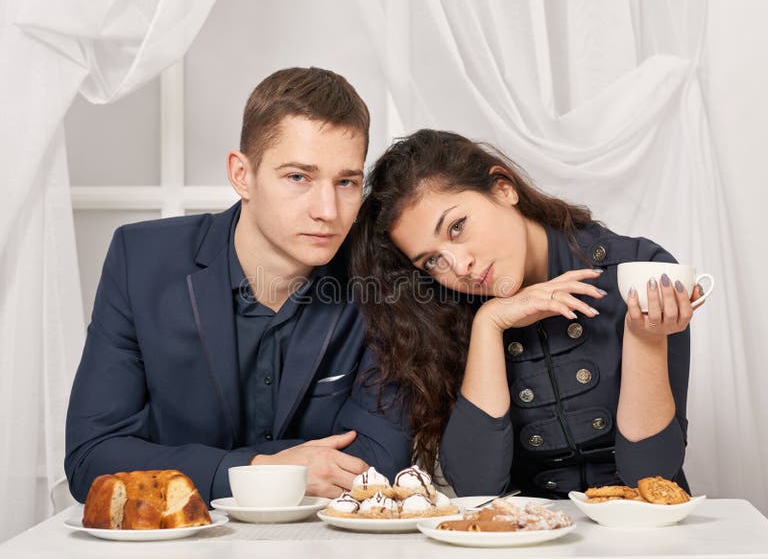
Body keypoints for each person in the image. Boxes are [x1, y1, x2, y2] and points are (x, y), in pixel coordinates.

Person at [65, 67, 411, 505]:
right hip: (180, 537)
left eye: (346, 182)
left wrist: (193, 466)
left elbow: (380, 461)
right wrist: (262, 471)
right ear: (241, 174)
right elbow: (92, 459)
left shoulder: (380, 278)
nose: (327, 210)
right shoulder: (142, 261)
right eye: (299, 177)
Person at [351, 129, 703, 498]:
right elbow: (475, 488)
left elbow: (652, 476)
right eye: (432, 261)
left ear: (503, 188)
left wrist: (646, 336)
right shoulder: (449, 311)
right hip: (530, 530)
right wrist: (489, 324)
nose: (460, 266)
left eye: (457, 227)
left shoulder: (640, 271)